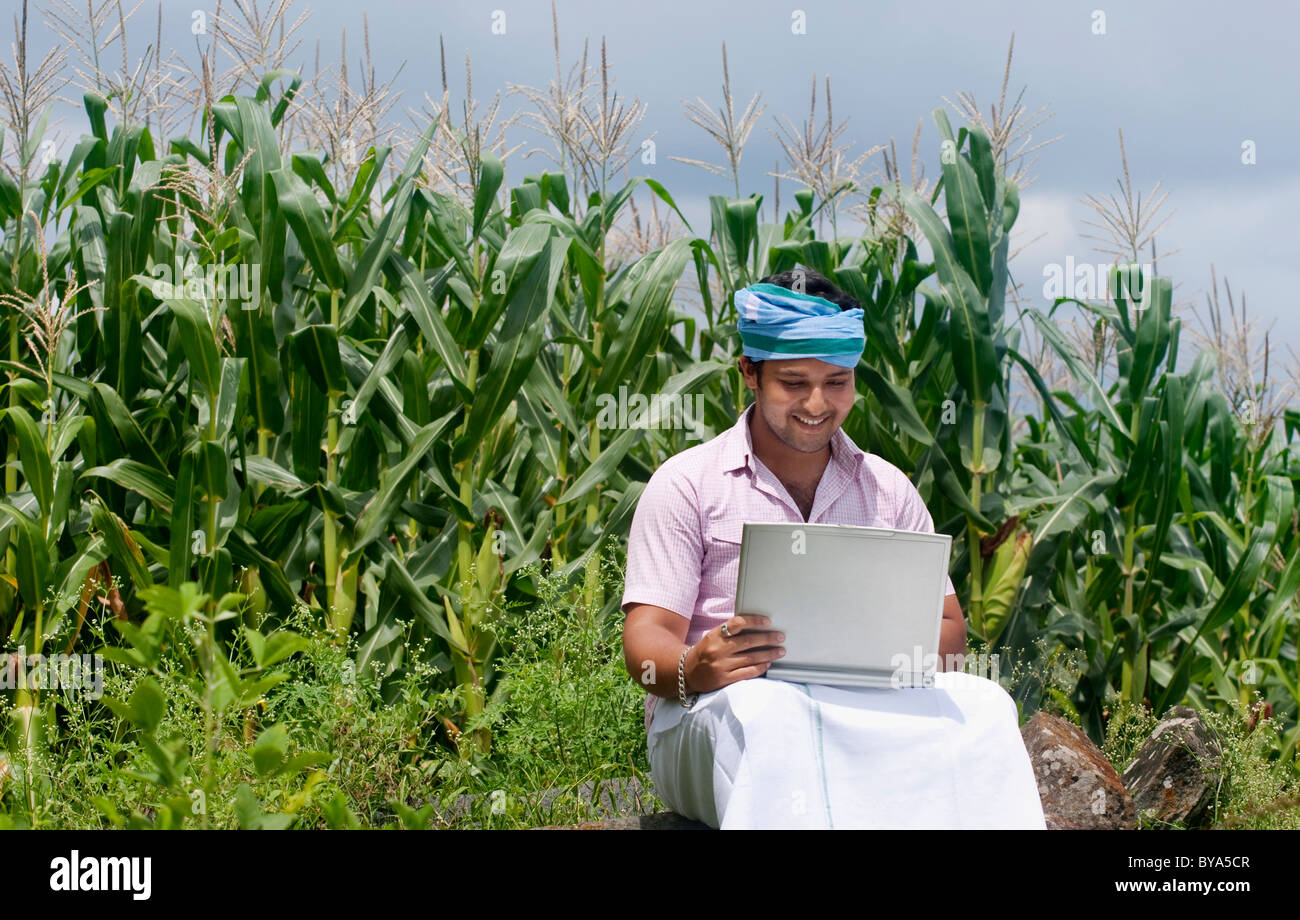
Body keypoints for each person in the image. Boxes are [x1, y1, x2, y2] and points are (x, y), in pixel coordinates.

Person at [620, 269, 1046, 829]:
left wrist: (876, 650)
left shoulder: (888, 490)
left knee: (987, 705)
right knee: (771, 712)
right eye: (793, 383)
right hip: (714, 716)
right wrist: (695, 667)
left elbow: (948, 635)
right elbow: (643, 645)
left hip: (860, 710)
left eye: (837, 381)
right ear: (749, 372)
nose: (817, 403)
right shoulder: (688, 484)